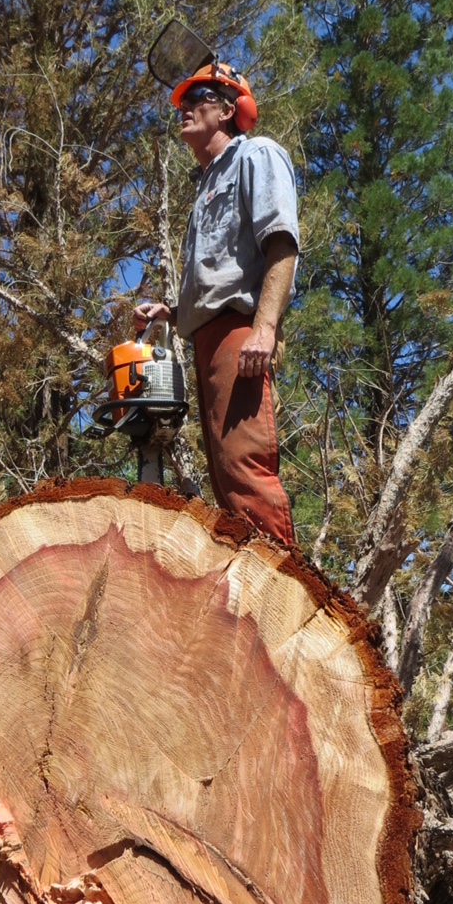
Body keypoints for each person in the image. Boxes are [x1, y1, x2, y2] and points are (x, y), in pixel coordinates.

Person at [133, 62, 299, 546]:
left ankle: (283, 598)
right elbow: (219, 273)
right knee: (225, 481)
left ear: (228, 109)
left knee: (244, 473)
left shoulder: (257, 156)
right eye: (182, 99)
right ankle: (253, 599)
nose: (183, 107)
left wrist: (264, 329)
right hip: (205, 338)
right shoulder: (205, 187)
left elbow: (282, 245)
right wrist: (173, 312)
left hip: (239, 333)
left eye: (198, 96)